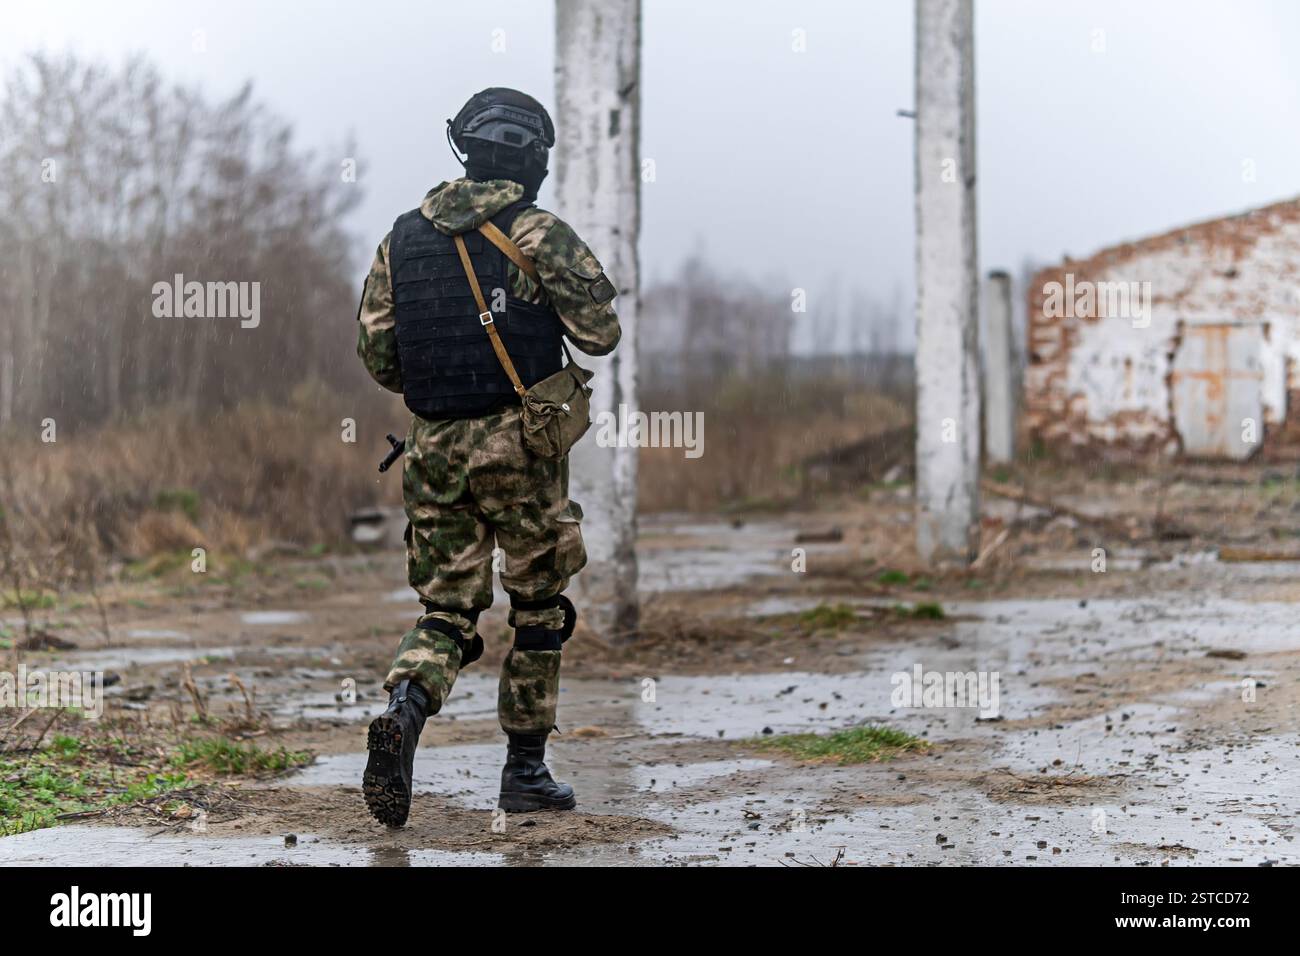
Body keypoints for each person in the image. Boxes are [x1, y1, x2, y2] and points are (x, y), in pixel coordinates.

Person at [354, 88, 620, 827]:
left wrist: (447, 386)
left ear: (464, 148)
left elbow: (377, 353)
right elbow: (600, 335)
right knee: (537, 605)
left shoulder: (400, 239)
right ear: (535, 158)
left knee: (446, 608)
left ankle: (404, 711)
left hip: (433, 445)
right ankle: (525, 773)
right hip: (521, 448)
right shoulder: (539, 233)